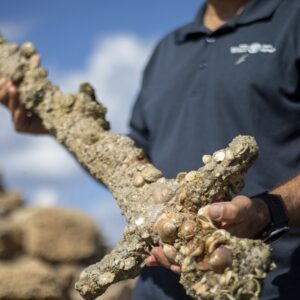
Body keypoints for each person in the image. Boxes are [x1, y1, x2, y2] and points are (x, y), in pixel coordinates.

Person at [1, 0, 300, 299]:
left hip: (274, 285)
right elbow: (128, 174)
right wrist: (58, 128)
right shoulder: (167, 49)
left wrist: (268, 211)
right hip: (154, 289)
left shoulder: (292, 21)